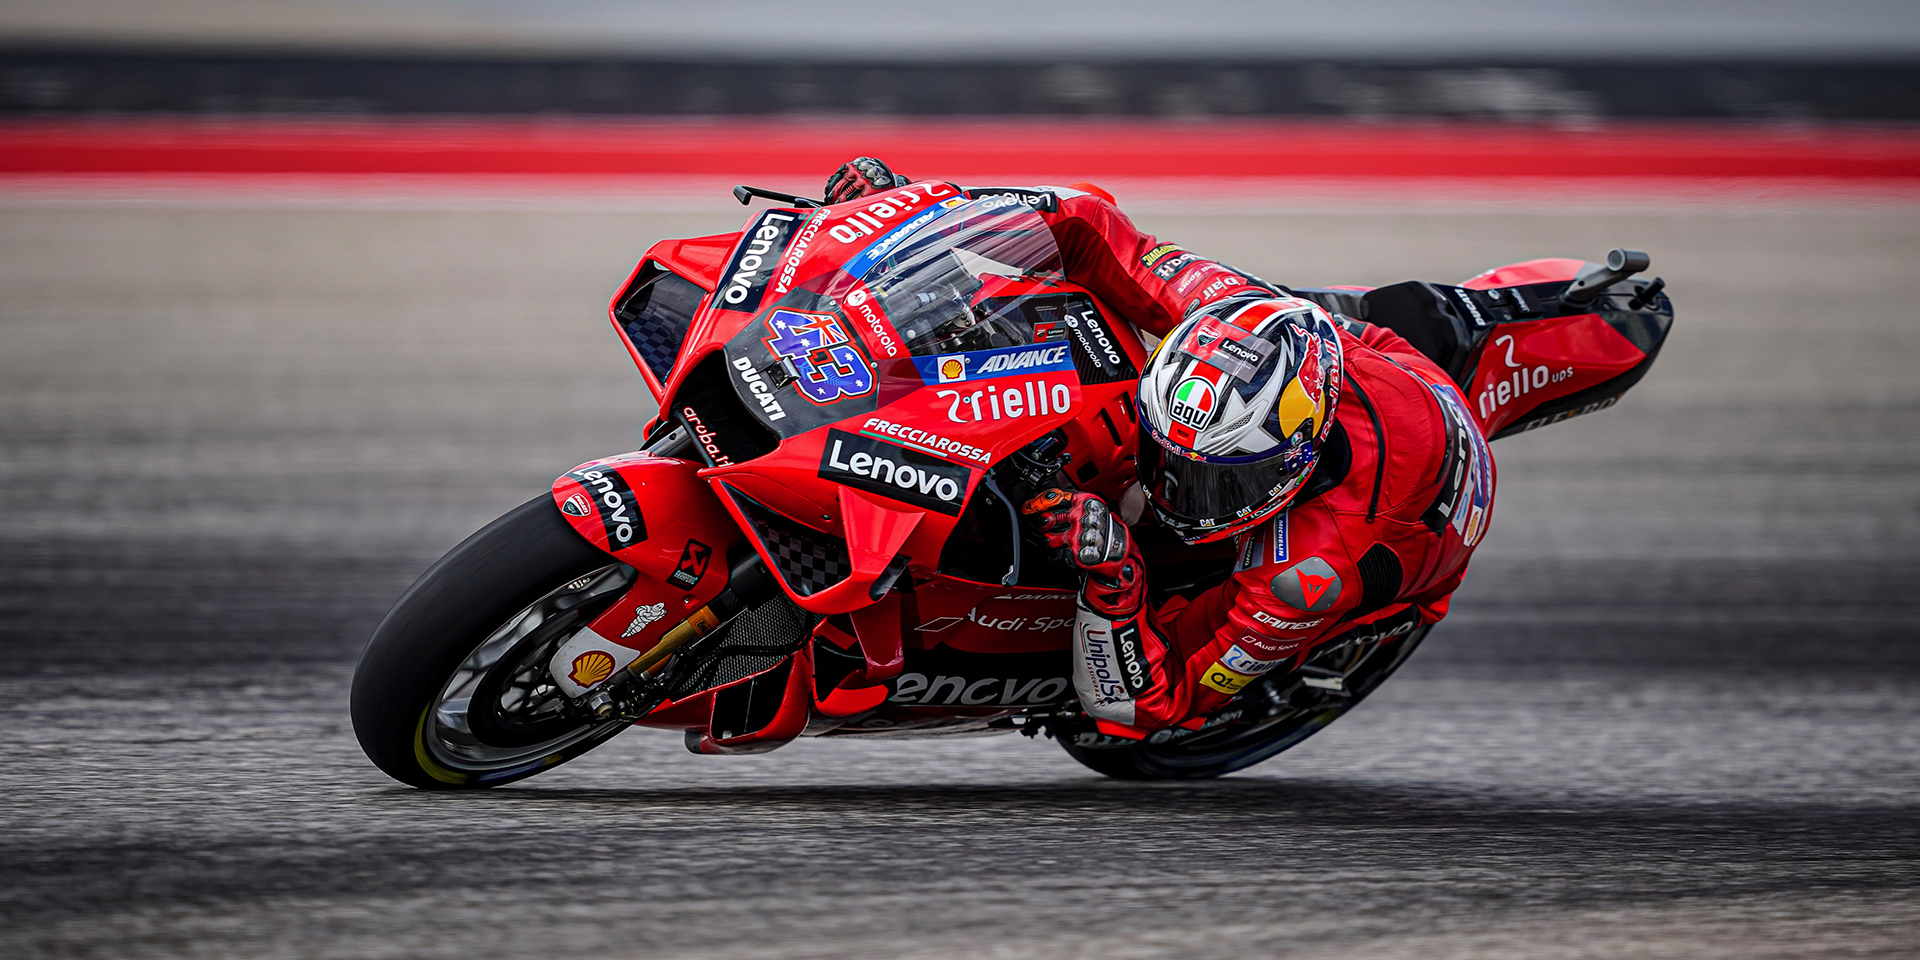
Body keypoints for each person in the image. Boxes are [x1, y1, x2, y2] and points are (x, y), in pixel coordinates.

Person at [823, 158, 1497, 740]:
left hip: (1413, 529)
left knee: (1199, 625)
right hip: (1370, 359)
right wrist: (915, 210)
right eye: (1167, 462)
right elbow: (1085, 219)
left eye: (1212, 486)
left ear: (1293, 465)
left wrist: (1117, 579)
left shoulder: (1312, 570)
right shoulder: (1219, 308)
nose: (1168, 495)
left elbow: (1153, 703)